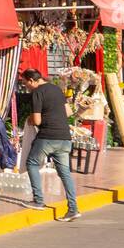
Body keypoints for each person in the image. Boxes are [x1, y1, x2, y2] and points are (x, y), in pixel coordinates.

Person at [20, 69, 81, 221]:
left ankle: (38, 200)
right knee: (65, 173)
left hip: (47, 136)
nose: (25, 87)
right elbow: (68, 112)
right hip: (64, 137)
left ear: (32, 80)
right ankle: (73, 209)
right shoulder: (57, 89)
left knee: (32, 163)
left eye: (25, 83)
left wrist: (30, 119)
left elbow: (38, 120)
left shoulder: (37, 93)